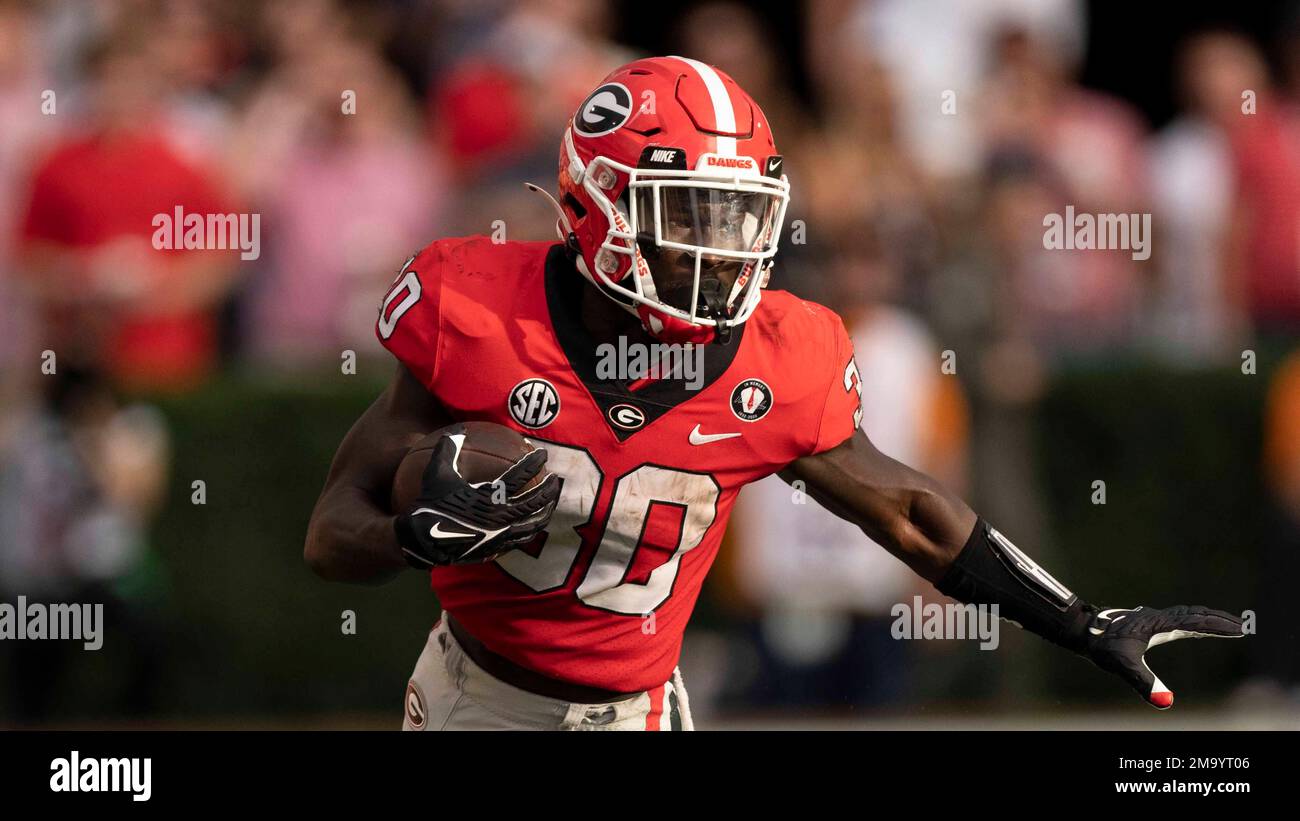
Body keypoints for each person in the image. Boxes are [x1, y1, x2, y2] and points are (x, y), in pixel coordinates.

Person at [304, 57, 1244, 731]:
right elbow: (328, 532)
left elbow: (915, 513)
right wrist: (402, 537)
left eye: (735, 214)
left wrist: (1082, 620)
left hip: (645, 713)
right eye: (689, 217)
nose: (719, 247)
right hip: (481, 703)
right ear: (597, 204)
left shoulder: (776, 357)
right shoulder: (475, 309)